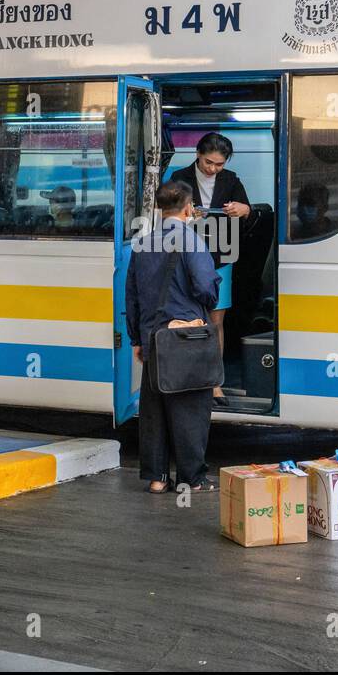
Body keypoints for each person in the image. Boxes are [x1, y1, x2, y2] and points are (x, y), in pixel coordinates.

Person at [126, 181, 220, 493]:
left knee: (154, 411)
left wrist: (137, 340)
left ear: (159, 209)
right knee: (190, 409)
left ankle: (156, 478)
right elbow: (206, 286)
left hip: (154, 338)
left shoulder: (142, 244)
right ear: (189, 208)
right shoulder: (192, 241)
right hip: (186, 338)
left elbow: (133, 297)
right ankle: (192, 479)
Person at [167, 133, 251, 406]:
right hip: (185, 256)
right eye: (208, 162)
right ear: (197, 154)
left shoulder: (231, 180)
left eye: (219, 164)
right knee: (186, 318)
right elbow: (164, 215)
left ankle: (215, 383)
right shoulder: (179, 177)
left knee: (216, 322)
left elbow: (247, 209)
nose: (213, 168)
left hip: (220, 255)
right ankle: (187, 379)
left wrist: (242, 209)